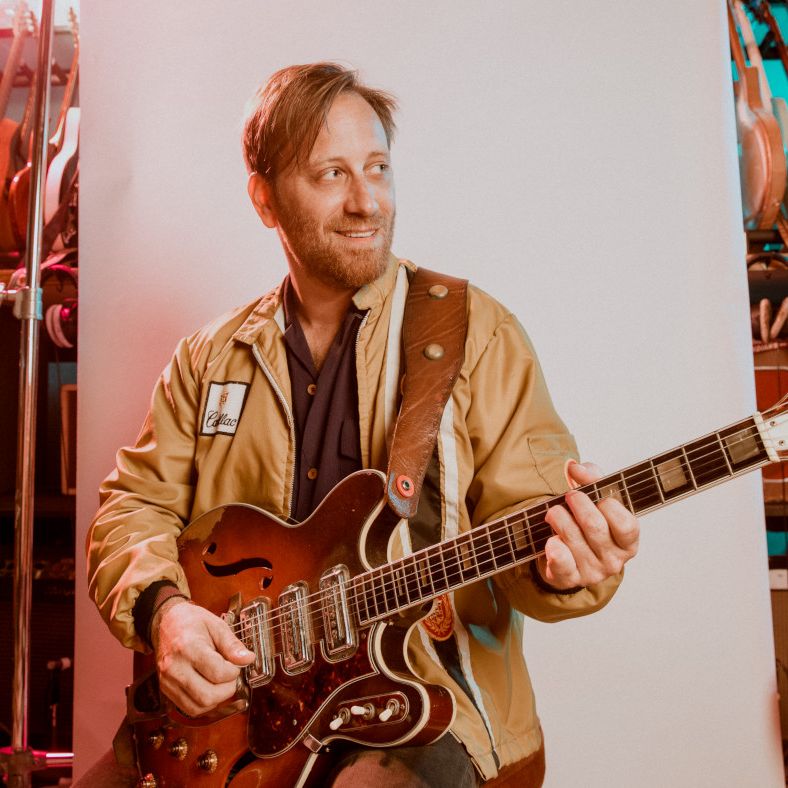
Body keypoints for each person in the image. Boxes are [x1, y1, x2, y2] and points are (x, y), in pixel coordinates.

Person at [83, 62, 639, 787]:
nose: (365, 200)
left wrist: (567, 568)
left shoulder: (475, 334)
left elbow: (534, 517)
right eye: (331, 174)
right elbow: (134, 506)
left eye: (378, 168)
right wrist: (167, 615)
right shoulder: (208, 357)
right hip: (230, 722)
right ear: (264, 198)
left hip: (422, 708)